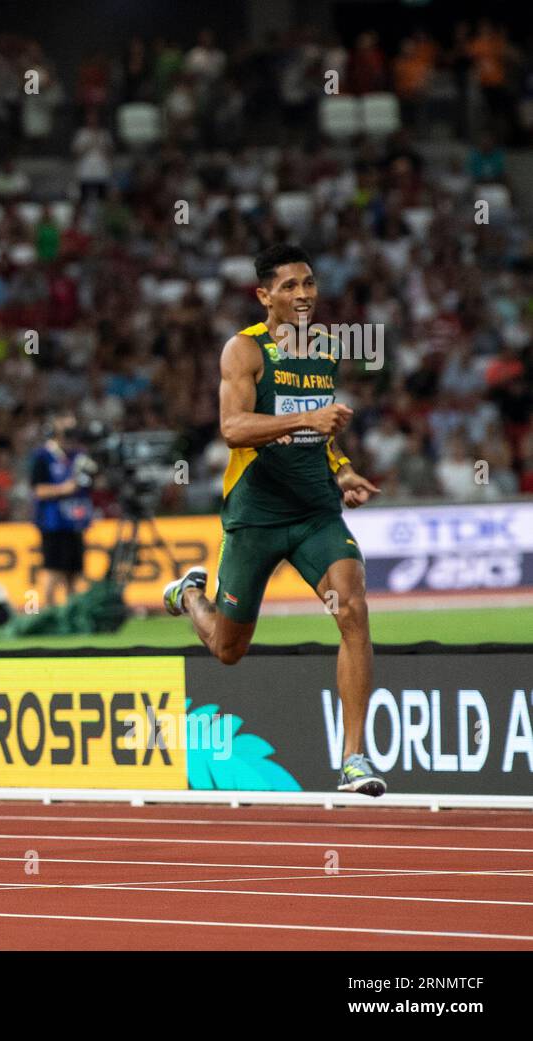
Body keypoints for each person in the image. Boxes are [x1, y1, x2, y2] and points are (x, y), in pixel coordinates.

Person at [162, 243, 385, 796]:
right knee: (229, 651)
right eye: (290, 286)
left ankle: (354, 759)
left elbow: (318, 433)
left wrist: (343, 468)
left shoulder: (326, 347)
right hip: (256, 517)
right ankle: (191, 595)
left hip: (314, 513)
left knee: (353, 608)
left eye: (309, 283)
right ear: (264, 296)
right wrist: (308, 416)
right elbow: (234, 428)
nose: (304, 294)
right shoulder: (244, 351)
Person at [29, 414, 93, 607]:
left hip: (75, 522)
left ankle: (71, 618)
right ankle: (49, 614)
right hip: (53, 523)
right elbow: (38, 490)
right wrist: (64, 489)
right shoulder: (43, 456)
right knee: (53, 570)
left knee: (74, 573)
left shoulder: (80, 457)